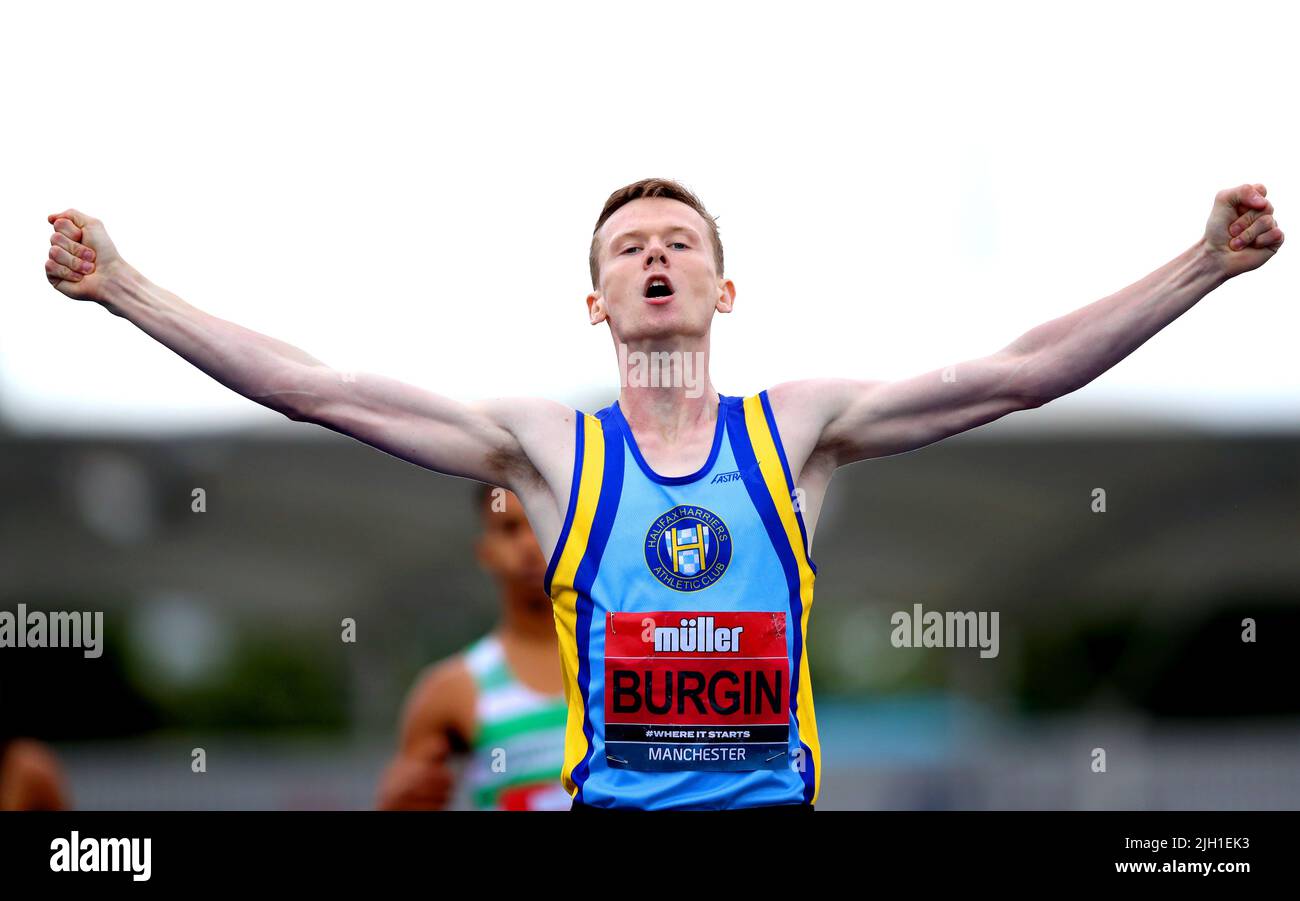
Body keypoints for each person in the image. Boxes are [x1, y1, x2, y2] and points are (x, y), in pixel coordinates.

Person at [42, 178, 1284, 811]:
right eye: (628, 245)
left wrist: (1203, 265)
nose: (654, 254)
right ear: (594, 300)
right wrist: (127, 289)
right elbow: (318, 388)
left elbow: (1016, 374)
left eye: (680, 240)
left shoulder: (798, 429)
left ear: (722, 291)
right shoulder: (546, 449)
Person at [376, 485, 568, 811]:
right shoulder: (451, 689)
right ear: (485, 551)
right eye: (509, 528)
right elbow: (405, 797)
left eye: (542, 521)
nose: (528, 544)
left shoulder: (627, 661)